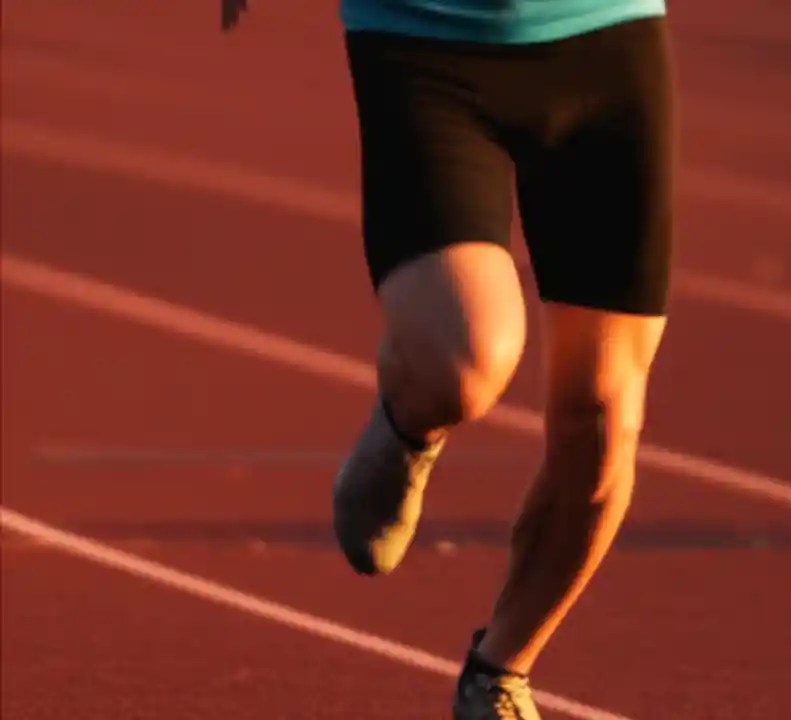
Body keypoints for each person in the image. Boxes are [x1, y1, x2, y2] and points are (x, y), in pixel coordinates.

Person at [225, 1, 676, 717]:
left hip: (605, 34)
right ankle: (411, 418)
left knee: (604, 416)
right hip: (425, 39)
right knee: (463, 358)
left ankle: (500, 673)